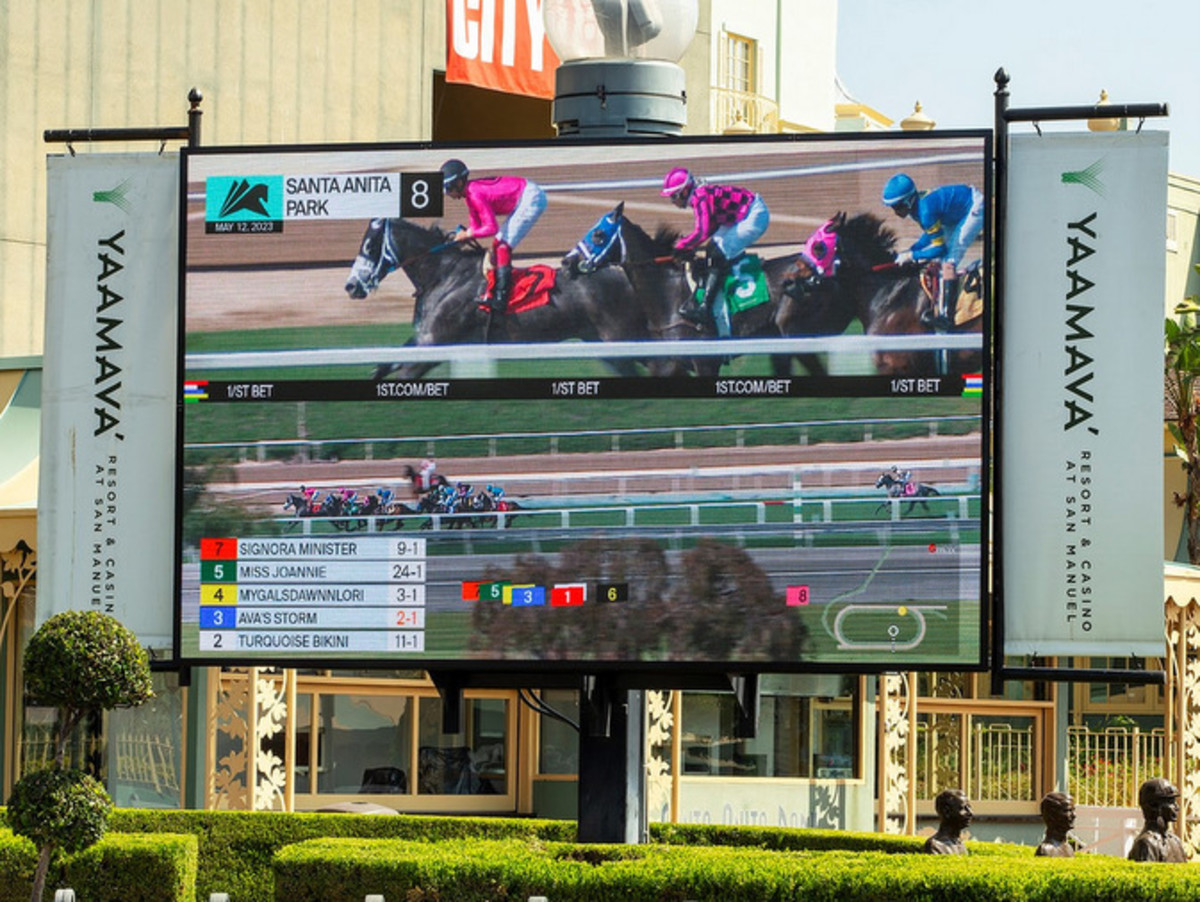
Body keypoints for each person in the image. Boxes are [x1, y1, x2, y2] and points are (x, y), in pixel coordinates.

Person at [660, 167, 770, 326]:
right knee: (712, 250)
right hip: (739, 215)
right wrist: (688, 244)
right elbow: (710, 227)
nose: (673, 202)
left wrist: (682, 245)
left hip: (753, 215)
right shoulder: (698, 195)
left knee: (718, 255)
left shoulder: (700, 197)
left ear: (684, 192)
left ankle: (705, 308)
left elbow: (702, 231)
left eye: (673, 197)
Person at [441, 158, 548, 315]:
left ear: (458, 183)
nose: (448, 194)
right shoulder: (470, 194)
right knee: (497, 246)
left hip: (530, 198)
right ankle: (498, 291)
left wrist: (468, 234)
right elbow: (475, 227)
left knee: (502, 246)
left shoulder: (474, 194)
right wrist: (464, 236)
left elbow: (491, 228)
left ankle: (501, 298)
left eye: (449, 188)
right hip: (524, 194)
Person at [881, 173, 984, 330]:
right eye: (893, 207)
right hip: (955, 214)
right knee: (940, 261)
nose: (896, 211)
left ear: (909, 200)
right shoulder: (917, 209)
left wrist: (912, 255)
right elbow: (928, 236)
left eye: (898, 206)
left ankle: (947, 317)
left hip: (973, 207)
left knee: (948, 262)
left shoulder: (925, 211)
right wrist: (912, 250)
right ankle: (942, 308)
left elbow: (940, 248)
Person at [1129, 778, 1188, 862]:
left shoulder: (1175, 841)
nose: (1177, 807)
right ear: (1154, 806)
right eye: (1171, 802)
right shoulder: (1146, 843)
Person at [922, 788, 972, 855]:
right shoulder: (935, 846)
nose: (970, 813)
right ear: (946, 811)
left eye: (969, 807)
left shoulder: (960, 844)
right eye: (963, 808)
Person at [1035, 791, 1078, 858]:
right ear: (1052, 815)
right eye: (1067, 810)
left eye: (1073, 810)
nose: (1074, 815)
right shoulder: (1046, 850)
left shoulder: (1069, 848)